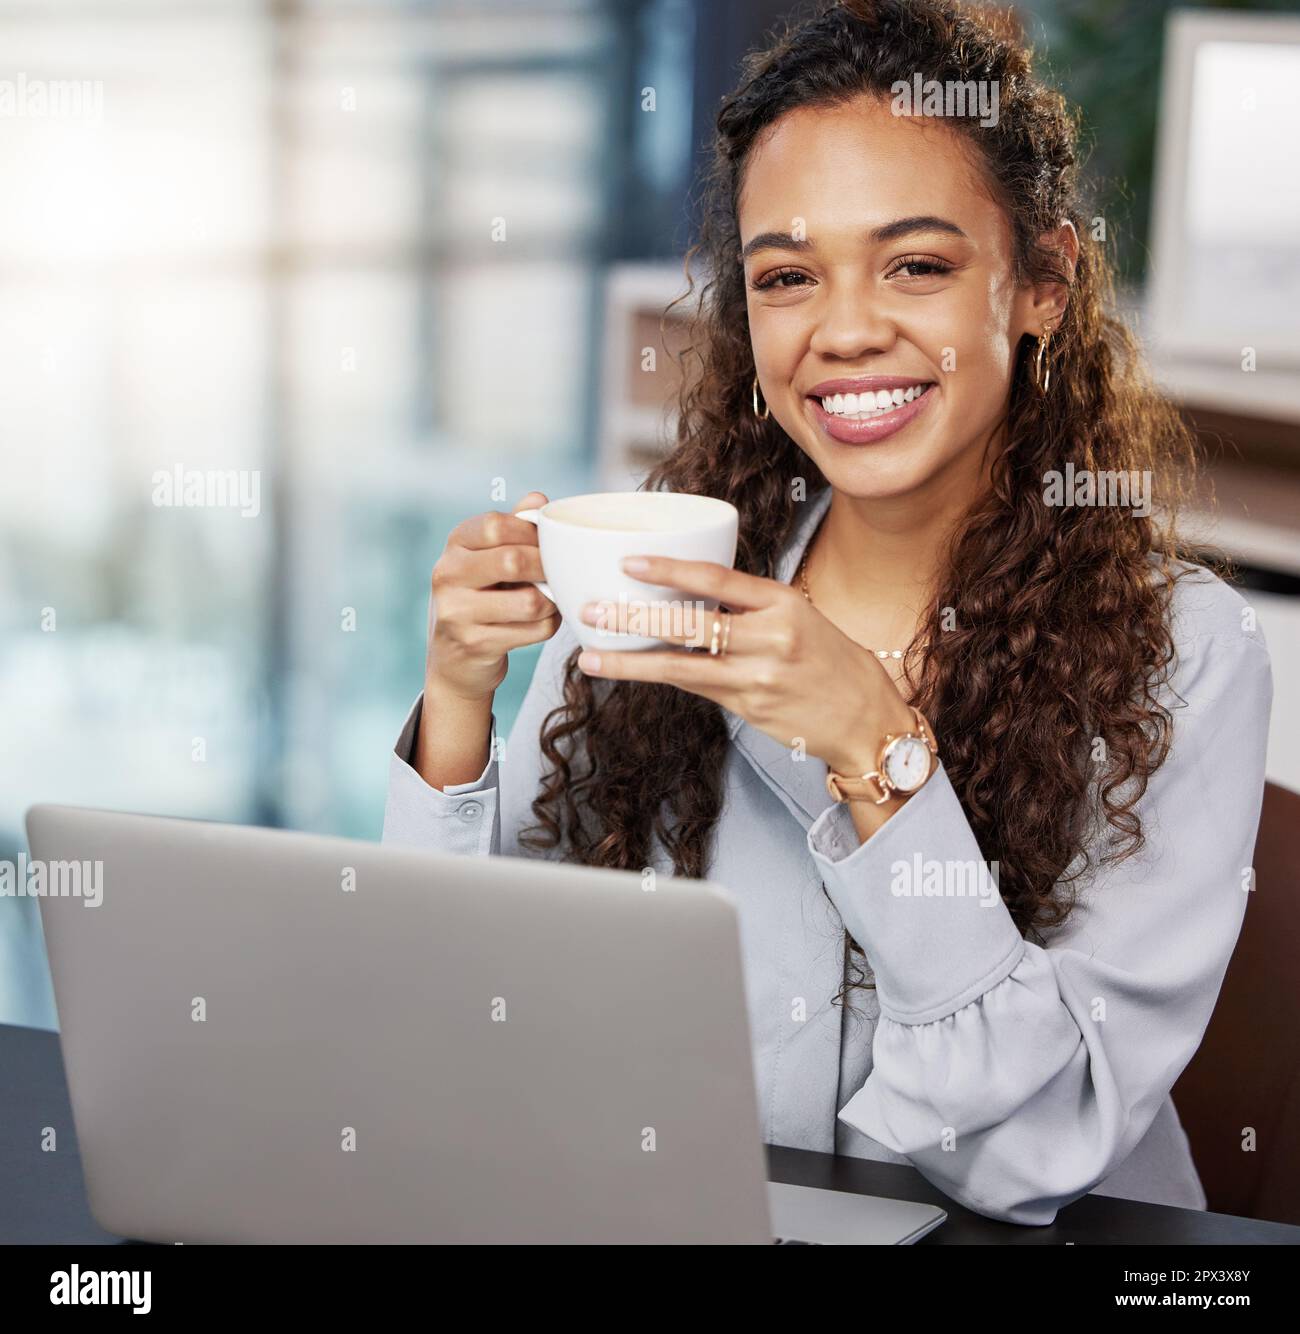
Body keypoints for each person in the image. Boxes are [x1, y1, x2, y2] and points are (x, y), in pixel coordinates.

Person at [382, 0, 1272, 1226]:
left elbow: (1032, 1154)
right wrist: (458, 706)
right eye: (789, 277)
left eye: (916, 263)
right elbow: (465, 1024)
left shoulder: (1189, 654)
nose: (846, 331)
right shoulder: (648, 574)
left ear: (1043, 283)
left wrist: (878, 752)